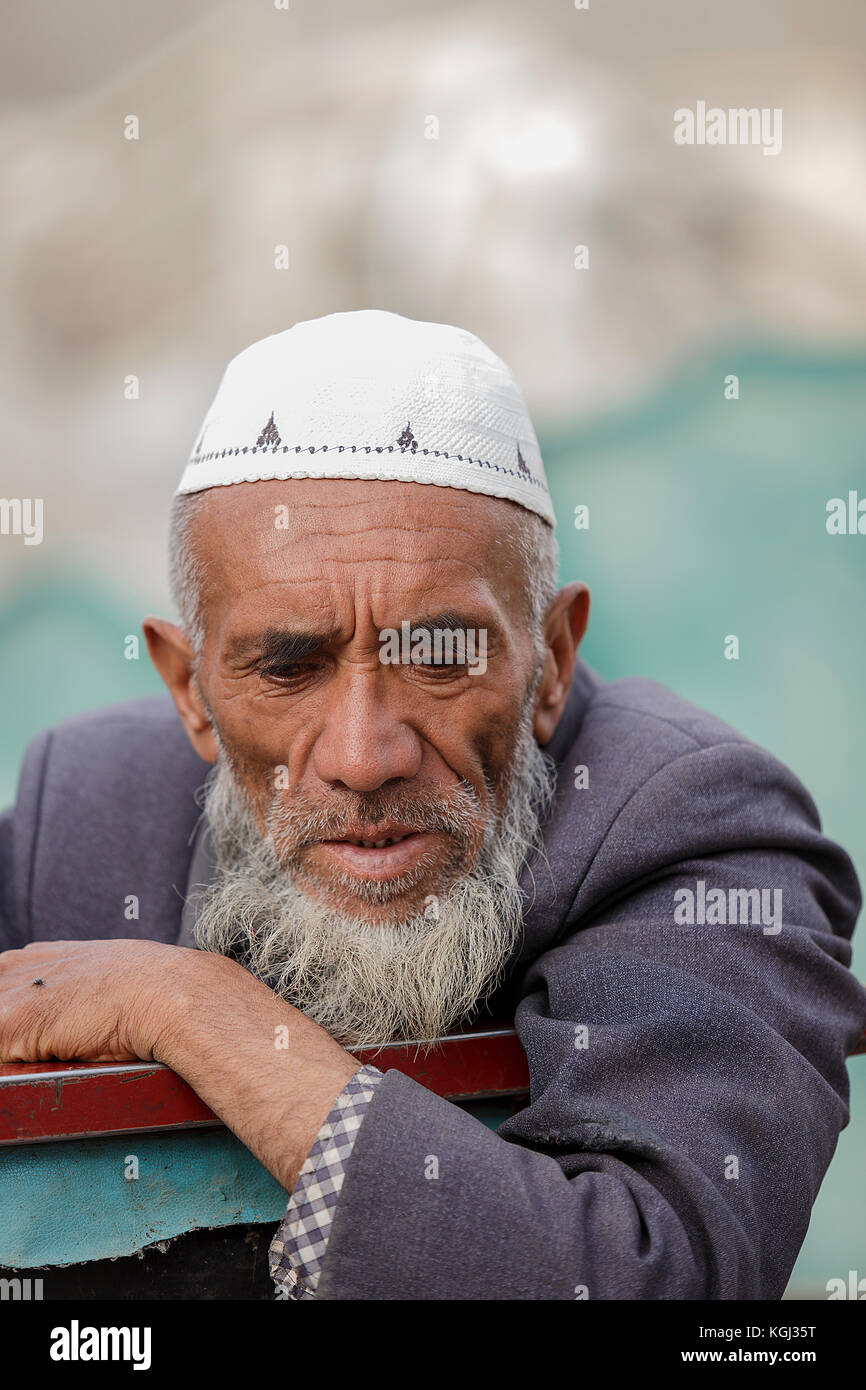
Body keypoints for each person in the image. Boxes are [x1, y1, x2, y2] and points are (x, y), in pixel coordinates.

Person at [0, 310, 863, 1300]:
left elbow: (645, 1277)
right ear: (188, 689)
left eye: (440, 656)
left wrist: (187, 1008)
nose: (365, 756)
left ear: (550, 661)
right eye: (288, 666)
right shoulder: (95, 812)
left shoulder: (691, 825)